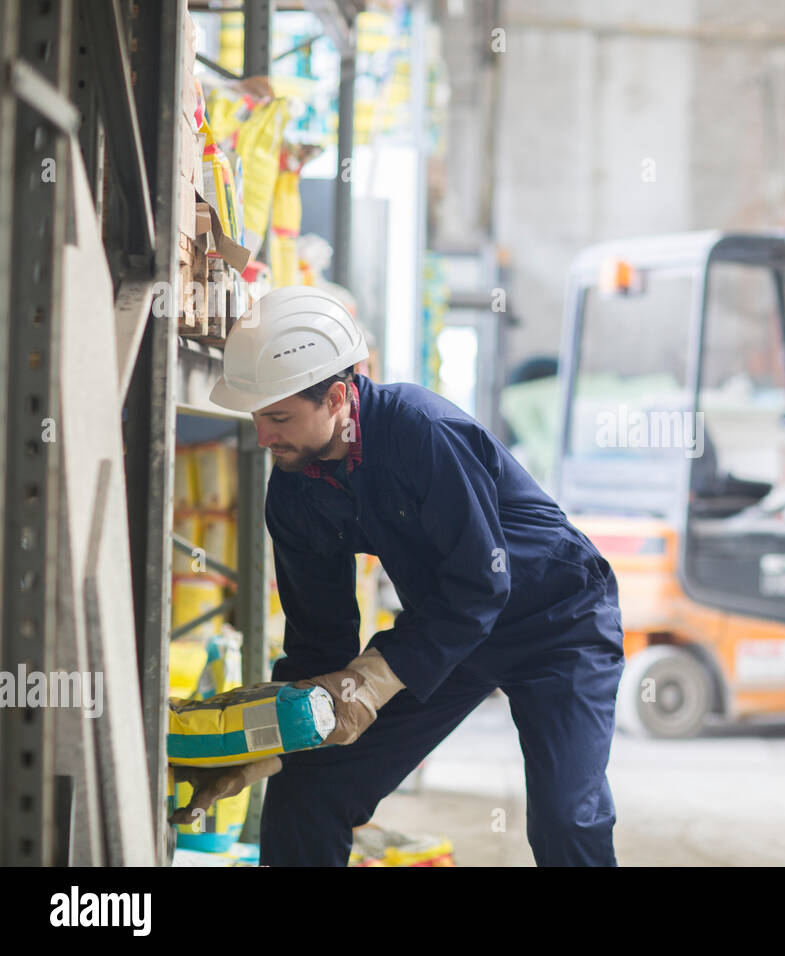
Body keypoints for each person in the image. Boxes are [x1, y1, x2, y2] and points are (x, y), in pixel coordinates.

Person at [177, 285, 624, 866]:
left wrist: (376, 679)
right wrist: (268, 739)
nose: (263, 438)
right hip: (450, 636)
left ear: (336, 397)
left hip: (558, 624)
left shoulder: (421, 431)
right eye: (258, 417)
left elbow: (482, 582)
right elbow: (318, 641)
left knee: (567, 818)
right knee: (311, 787)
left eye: (279, 417)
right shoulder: (293, 488)